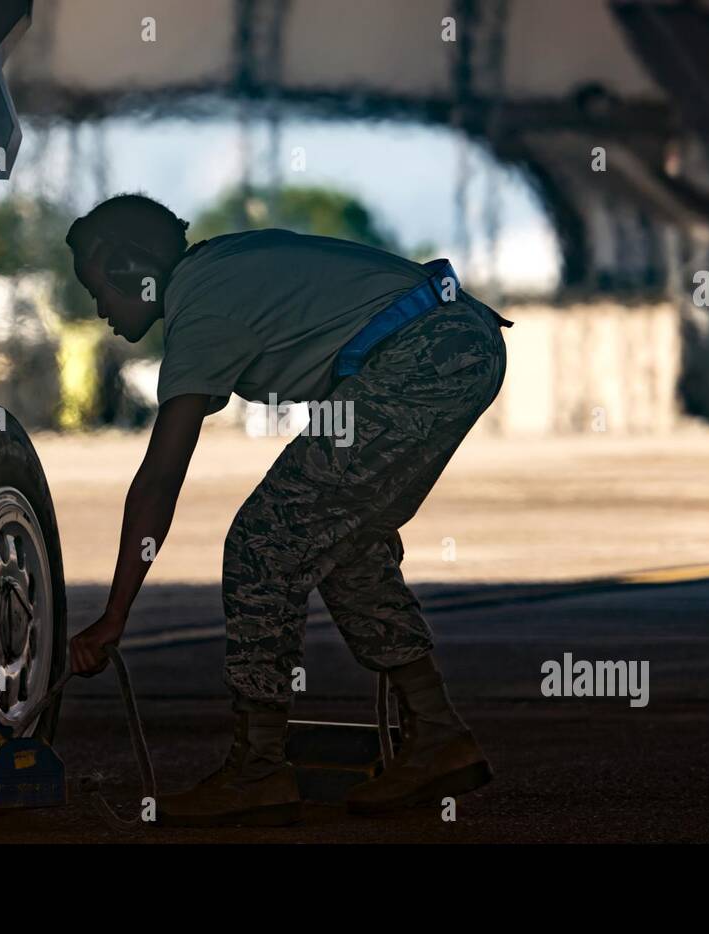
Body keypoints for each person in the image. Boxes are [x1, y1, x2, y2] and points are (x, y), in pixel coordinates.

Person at [65, 193, 510, 826]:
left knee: (261, 542)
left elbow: (161, 479)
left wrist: (113, 615)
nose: (101, 310)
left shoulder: (200, 307)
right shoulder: (215, 270)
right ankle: (438, 731)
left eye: (99, 290)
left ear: (131, 269)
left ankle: (258, 769)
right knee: (341, 546)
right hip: (455, 342)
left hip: (427, 354)